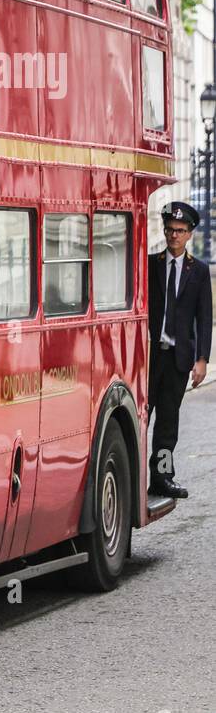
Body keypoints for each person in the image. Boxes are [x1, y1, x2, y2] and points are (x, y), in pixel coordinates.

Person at [146, 201, 211, 499]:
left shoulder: (198, 271)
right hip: (150, 357)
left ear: (189, 234)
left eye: (180, 231)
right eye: (170, 230)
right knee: (141, 416)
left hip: (177, 359)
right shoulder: (150, 265)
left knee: (168, 422)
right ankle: (134, 476)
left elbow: (204, 318)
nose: (174, 236)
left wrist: (202, 360)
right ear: (165, 231)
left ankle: (162, 478)